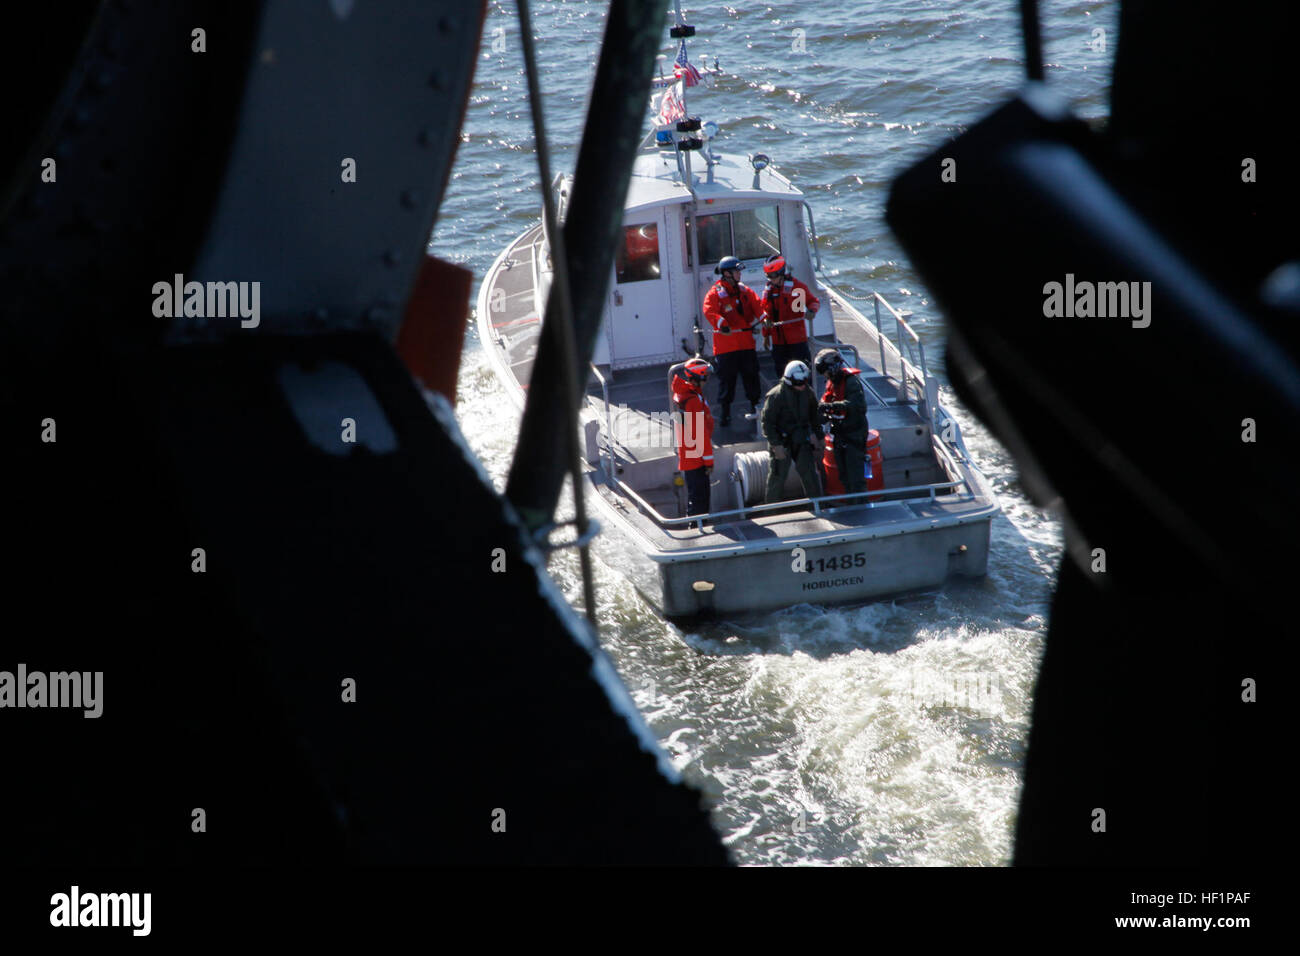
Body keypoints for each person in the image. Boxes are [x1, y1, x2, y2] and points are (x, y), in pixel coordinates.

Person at [702, 255, 762, 426]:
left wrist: (765, 318)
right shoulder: (715, 293)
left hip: (746, 344)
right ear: (727, 273)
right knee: (727, 381)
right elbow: (709, 310)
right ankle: (725, 413)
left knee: (752, 377)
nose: (739, 274)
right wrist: (722, 323)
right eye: (736, 271)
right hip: (726, 347)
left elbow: (757, 304)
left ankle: (754, 407)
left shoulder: (744, 291)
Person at [760, 360, 823, 503]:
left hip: (801, 440)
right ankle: (771, 511)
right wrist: (776, 445)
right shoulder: (776, 396)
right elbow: (767, 423)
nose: (802, 385)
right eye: (798, 382)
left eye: (804, 381)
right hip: (782, 442)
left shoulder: (808, 392)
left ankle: (818, 506)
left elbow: (814, 416)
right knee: (777, 477)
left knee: (810, 475)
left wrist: (820, 437)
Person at [815, 347, 870, 495]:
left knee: (856, 478)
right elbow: (825, 406)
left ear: (832, 368)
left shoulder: (851, 382)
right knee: (844, 476)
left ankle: (860, 507)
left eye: (825, 371)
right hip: (840, 436)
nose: (824, 375)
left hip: (854, 435)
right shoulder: (832, 384)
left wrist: (830, 406)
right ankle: (853, 506)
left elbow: (857, 405)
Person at [759, 253, 820, 379]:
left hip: (797, 341)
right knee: (782, 374)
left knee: (802, 372)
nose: (771, 279)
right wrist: (766, 335)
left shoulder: (797, 287)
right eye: (768, 276)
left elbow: (813, 301)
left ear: (781, 273)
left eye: (773, 275)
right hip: (778, 342)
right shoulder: (768, 290)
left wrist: (812, 311)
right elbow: (765, 313)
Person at [672, 358, 715, 516]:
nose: (708, 379)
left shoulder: (686, 395)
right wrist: (709, 462)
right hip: (697, 459)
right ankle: (697, 529)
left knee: (696, 497)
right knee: (700, 501)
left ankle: (697, 525)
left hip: (690, 455)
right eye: (706, 375)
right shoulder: (693, 401)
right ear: (699, 377)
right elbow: (700, 435)